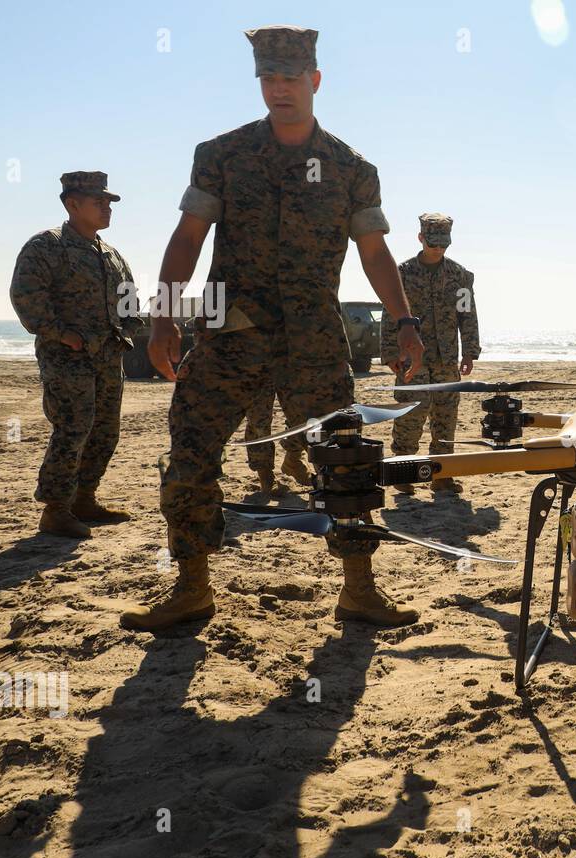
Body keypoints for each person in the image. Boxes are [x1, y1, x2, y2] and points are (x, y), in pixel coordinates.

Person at [120, 24, 425, 632]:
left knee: (346, 459)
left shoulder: (351, 168)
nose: (278, 89)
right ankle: (191, 587)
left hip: (314, 339)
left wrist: (405, 322)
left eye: (290, 78)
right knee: (191, 450)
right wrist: (162, 319)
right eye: (268, 78)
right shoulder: (222, 154)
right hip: (230, 332)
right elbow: (187, 238)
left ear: (315, 80)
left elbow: (374, 254)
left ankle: (359, 590)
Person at [9, 171, 141, 538]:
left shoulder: (112, 255)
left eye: (108, 202)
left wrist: (126, 333)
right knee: (72, 430)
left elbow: (130, 299)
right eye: (98, 201)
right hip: (67, 358)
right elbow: (26, 297)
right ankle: (56, 509)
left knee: (105, 431)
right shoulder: (46, 247)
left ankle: (85, 498)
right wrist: (61, 334)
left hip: (108, 359)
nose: (106, 208)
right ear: (72, 204)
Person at [382, 213, 480, 495]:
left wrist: (470, 351)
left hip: (447, 357)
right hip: (412, 357)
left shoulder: (460, 276)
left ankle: (442, 474)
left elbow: (467, 315)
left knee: (446, 416)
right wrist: (390, 352)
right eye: (433, 243)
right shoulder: (402, 275)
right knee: (410, 414)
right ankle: (403, 471)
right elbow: (390, 315)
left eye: (443, 244)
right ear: (421, 238)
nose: (438, 249)